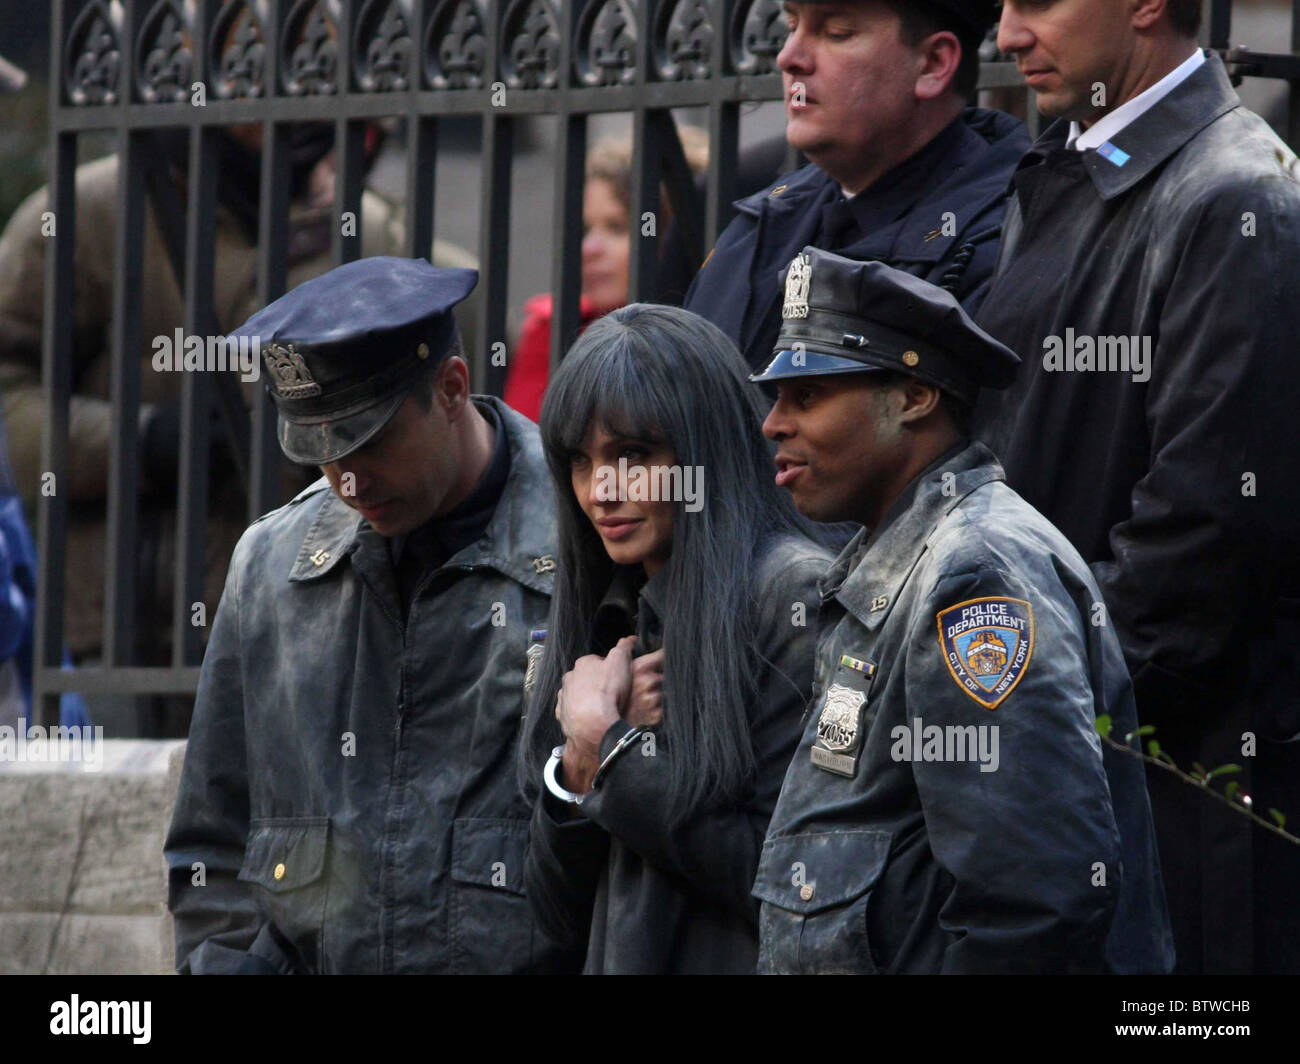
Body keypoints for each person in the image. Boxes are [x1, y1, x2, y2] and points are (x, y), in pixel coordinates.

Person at [975, 0, 1300, 974]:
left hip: (1179, 827)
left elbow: (1201, 548)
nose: (1005, 34)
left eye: (1034, 1)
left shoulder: (1240, 196)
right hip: (1066, 794)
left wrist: (1012, 707)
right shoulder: (1062, 168)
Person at [749, 248, 1172, 974]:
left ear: (915, 397)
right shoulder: (903, 558)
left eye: (809, 395)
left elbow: (1033, 901)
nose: (773, 425)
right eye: (775, 398)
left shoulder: (974, 576)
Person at [0, 122, 476, 730]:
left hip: (304, 633)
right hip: (112, 637)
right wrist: (140, 441)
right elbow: (10, 396)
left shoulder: (363, 225)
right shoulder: (85, 214)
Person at [165, 257, 563, 974]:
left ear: (450, 389)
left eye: (368, 442)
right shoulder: (270, 566)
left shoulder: (590, 544)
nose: (348, 481)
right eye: (322, 455)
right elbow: (212, 848)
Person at [519, 304, 832, 973]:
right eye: (581, 459)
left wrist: (611, 750)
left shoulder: (791, 598)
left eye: (634, 454)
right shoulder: (606, 619)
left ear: (705, 452)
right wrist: (580, 765)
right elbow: (554, 918)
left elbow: (790, 883)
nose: (602, 489)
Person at [683, 0, 1029, 373]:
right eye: (791, 26)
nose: (789, 57)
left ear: (932, 64)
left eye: (836, 33)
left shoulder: (1013, 236)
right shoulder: (759, 225)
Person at [503, 131, 708, 422]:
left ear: (676, 233)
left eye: (616, 227)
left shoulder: (710, 329)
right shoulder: (554, 330)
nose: (589, 249)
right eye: (587, 229)